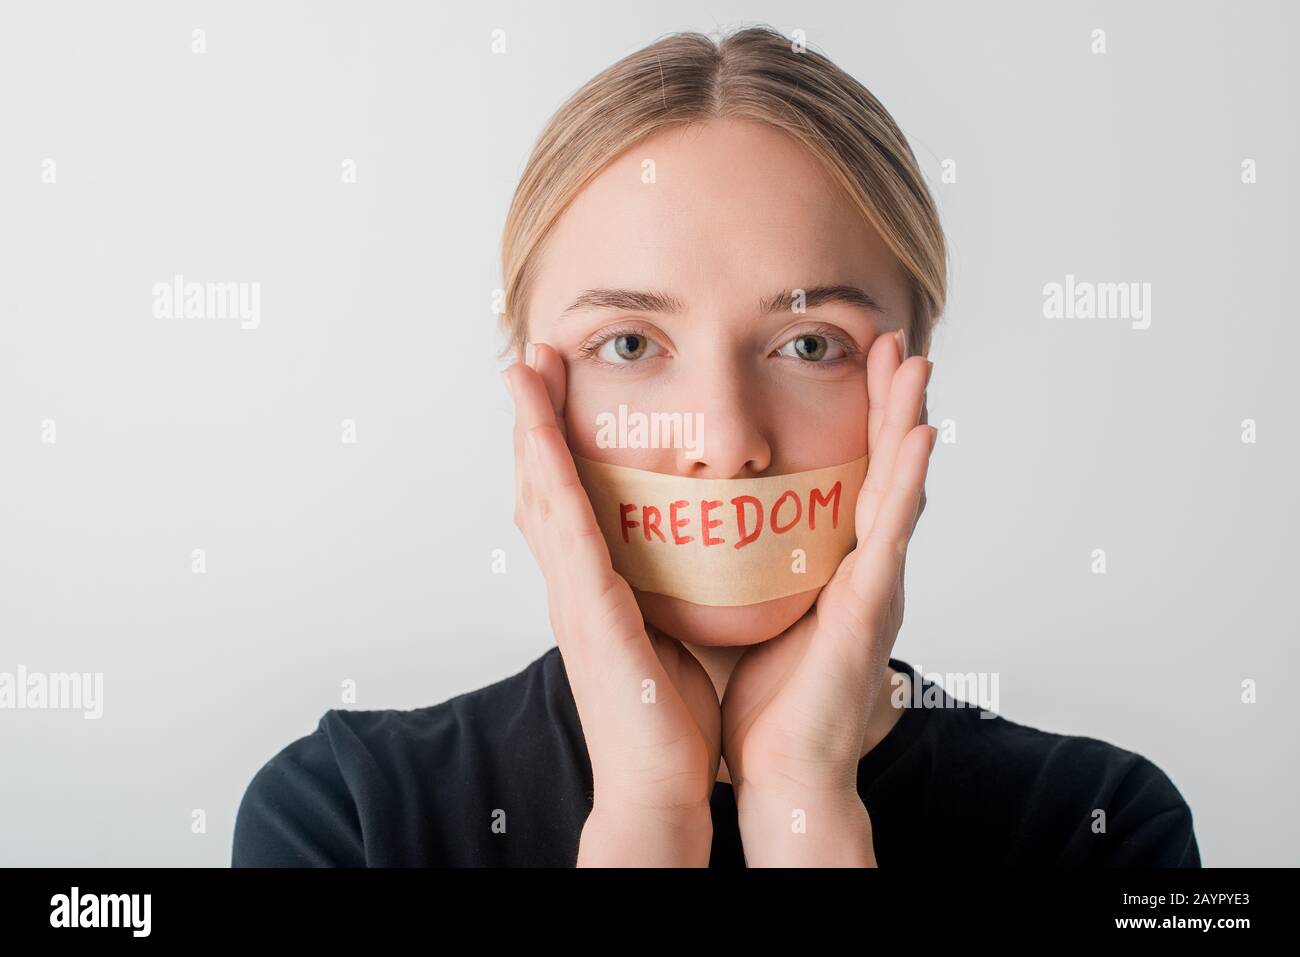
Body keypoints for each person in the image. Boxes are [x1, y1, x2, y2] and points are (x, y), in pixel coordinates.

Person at [232, 25, 1199, 867]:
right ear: (535, 395)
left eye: (810, 344)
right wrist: (648, 821)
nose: (724, 441)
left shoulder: (1101, 828)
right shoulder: (346, 818)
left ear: (910, 379)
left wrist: (803, 810)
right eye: (628, 345)